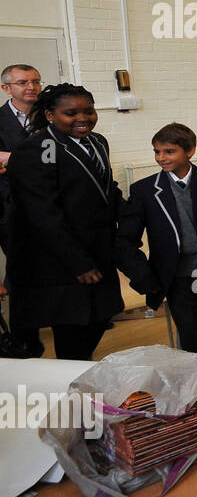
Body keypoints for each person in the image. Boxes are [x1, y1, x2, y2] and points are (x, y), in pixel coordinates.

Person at [6, 84, 124, 360]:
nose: (83, 118)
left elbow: (105, 188)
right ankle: (73, 390)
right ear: (50, 115)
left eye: (89, 111)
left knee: (99, 317)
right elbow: (42, 213)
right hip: (60, 258)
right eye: (71, 113)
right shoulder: (35, 149)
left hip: (97, 248)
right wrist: (78, 262)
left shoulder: (98, 142)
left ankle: (80, 378)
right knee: (72, 328)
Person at [116, 123, 197, 353]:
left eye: (169, 151)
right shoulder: (145, 190)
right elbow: (125, 240)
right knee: (192, 334)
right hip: (176, 275)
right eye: (156, 151)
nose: (161, 157)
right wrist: (145, 276)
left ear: (190, 151)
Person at [0, 64, 45, 357]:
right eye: (22, 82)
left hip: (50, 207)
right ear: (7, 88)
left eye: (35, 81)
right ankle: (25, 341)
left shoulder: (52, 116)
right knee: (20, 274)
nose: (30, 87)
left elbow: (57, 160)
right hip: (10, 208)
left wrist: (10, 159)